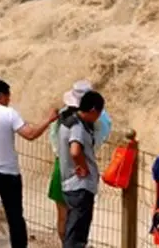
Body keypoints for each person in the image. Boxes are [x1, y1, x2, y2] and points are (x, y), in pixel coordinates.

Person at [0, 79, 58, 248]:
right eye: (8, 96)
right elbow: (30, 135)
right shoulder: (9, 114)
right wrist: (48, 120)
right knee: (15, 218)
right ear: (0, 95)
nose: (9, 100)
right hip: (9, 174)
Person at [48, 81, 113, 242]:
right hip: (79, 180)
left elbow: (55, 141)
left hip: (61, 168)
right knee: (77, 229)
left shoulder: (63, 118)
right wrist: (82, 166)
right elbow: (77, 150)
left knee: (65, 219)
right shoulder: (83, 124)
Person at [58, 91, 106, 248]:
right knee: (77, 235)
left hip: (70, 184)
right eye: (98, 113)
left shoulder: (67, 121)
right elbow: (75, 151)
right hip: (80, 186)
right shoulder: (78, 126)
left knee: (72, 230)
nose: (98, 117)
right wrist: (83, 168)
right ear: (92, 110)